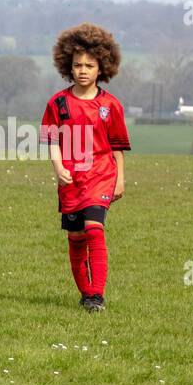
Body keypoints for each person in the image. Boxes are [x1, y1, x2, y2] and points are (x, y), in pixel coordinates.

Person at [41, 23, 130, 311]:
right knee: (76, 237)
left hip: (101, 176)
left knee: (94, 229)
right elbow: (51, 139)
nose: (82, 70)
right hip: (71, 182)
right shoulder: (58, 103)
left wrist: (120, 179)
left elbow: (117, 146)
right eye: (77, 64)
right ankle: (86, 295)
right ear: (68, 66)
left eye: (89, 66)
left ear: (101, 68)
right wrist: (58, 166)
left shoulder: (111, 106)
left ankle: (97, 295)